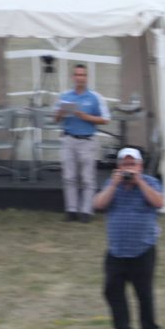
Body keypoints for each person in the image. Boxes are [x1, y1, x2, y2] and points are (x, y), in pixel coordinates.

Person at [93, 147, 163, 329]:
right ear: (118, 167)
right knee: (112, 291)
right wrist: (114, 185)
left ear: (140, 166)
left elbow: (159, 202)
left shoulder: (151, 182)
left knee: (144, 293)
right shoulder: (111, 184)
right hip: (116, 251)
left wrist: (139, 181)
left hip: (143, 250)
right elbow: (98, 204)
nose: (128, 168)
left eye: (132, 164)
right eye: (125, 164)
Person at [55, 64, 111, 223]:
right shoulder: (65, 96)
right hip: (69, 139)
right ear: (73, 77)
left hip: (87, 140)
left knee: (87, 177)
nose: (80, 78)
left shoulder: (95, 97)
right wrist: (60, 112)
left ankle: (86, 211)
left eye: (83, 75)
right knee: (69, 176)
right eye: (77, 75)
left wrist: (86, 117)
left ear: (86, 78)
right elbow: (56, 119)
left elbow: (105, 119)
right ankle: (71, 209)